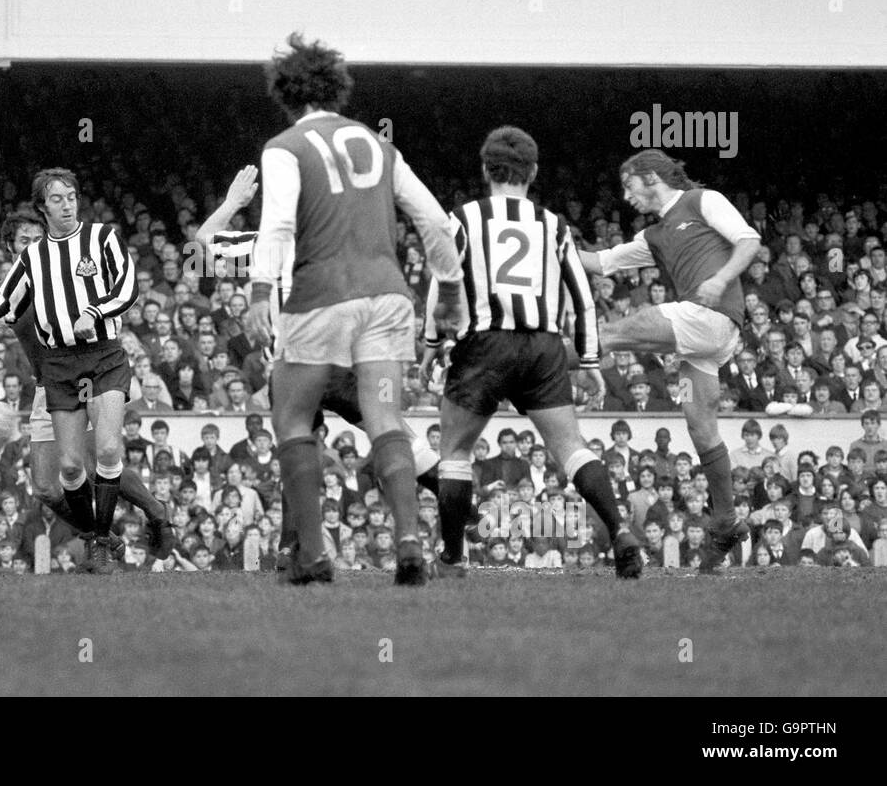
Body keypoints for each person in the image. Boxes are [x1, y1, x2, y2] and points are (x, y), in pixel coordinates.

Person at [248, 34, 461, 586]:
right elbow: (436, 222)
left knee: (293, 418)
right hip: (388, 298)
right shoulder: (378, 144)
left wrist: (257, 289)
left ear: (285, 93)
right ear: (337, 87)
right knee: (387, 419)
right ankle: (410, 545)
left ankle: (314, 556)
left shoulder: (285, 147)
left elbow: (277, 224)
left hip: (320, 295)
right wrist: (452, 290)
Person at [418, 127, 640, 579]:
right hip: (542, 347)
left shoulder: (463, 218)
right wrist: (590, 360)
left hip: (485, 344)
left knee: (456, 450)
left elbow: (442, 283)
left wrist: (431, 344)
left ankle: (454, 559)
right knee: (571, 448)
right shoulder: (553, 224)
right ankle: (620, 532)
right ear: (533, 172)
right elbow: (583, 295)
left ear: (485, 169)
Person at [0, 212, 174, 564]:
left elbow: (112, 301)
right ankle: (105, 536)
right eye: (25, 240)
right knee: (45, 487)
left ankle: (148, 515)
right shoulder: (5, 290)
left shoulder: (69, 275)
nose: (34, 245)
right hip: (47, 386)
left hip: (88, 375)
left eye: (37, 238)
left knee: (93, 456)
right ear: (10, 248)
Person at [578, 150, 761, 573]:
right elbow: (602, 263)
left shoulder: (703, 200)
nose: (626, 196)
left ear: (650, 177)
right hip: (706, 340)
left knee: (613, 332)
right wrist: (553, 245)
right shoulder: (655, 235)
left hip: (709, 317)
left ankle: (539, 363)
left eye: (629, 185)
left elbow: (749, 240)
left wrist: (720, 278)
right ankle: (726, 523)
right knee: (700, 426)